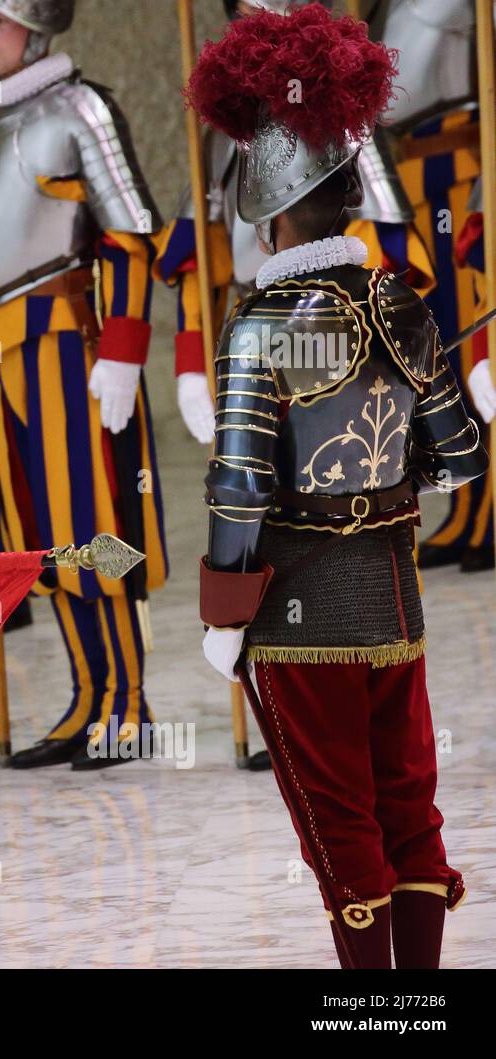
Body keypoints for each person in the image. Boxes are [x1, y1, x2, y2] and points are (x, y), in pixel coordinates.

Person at [191, 4, 486, 967]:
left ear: (273, 205)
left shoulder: (259, 327)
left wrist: (225, 611)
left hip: (296, 607)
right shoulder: (402, 301)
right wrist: (394, 477)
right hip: (394, 596)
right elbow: (464, 456)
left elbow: (237, 488)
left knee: (338, 820)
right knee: (407, 801)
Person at [154, 0, 437, 773]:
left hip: (326, 331)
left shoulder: (346, 135)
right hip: (271, 330)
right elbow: (196, 248)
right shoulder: (231, 136)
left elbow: (390, 240)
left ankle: (291, 680)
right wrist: (186, 355)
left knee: (268, 500)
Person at [0, 0, 168, 770]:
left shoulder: (81, 108)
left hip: (67, 345)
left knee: (97, 529)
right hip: (1, 350)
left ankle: (131, 700)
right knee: (45, 541)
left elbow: (131, 235)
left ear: (38, 28)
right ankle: (89, 693)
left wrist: (124, 348)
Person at [368, 0, 493, 572]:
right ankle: (468, 506)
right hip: (418, 175)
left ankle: (490, 510)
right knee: (440, 347)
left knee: (473, 346)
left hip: (461, 165)